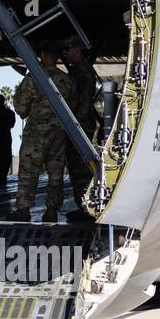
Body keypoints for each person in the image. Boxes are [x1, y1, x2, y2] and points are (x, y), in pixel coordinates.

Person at [12, 47, 76, 222]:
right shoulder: (68, 81)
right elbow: (73, 108)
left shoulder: (34, 78)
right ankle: (51, 211)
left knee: (28, 171)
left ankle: (23, 210)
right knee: (56, 174)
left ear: (43, 55)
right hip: (59, 133)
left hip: (36, 134)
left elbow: (20, 107)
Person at [61, 39, 99, 221]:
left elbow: (83, 99)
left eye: (67, 49)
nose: (65, 53)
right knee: (77, 165)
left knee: (80, 166)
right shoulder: (80, 69)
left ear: (77, 49)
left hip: (80, 123)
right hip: (80, 122)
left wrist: (77, 126)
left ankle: (87, 207)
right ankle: (84, 205)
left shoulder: (82, 71)